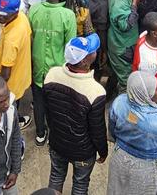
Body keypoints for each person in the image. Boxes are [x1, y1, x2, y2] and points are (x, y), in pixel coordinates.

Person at [42, 34, 108, 195]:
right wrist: (103, 150)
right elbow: (97, 129)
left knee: (56, 177)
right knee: (80, 185)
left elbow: (49, 114)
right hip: (82, 152)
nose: (95, 52)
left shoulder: (51, 75)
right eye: (92, 51)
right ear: (85, 61)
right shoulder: (96, 91)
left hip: (57, 143)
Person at [106, 70, 157, 195]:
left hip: (119, 159)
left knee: (118, 190)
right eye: (155, 88)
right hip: (145, 167)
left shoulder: (119, 102)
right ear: (145, 94)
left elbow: (112, 129)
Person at [28, 0, 78, 146]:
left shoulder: (34, 10)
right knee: (57, 104)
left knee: (39, 101)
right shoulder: (68, 15)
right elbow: (71, 46)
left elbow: (31, 37)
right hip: (58, 70)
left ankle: (40, 133)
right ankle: (56, 134)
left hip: (37, 67)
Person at [0, 0, 34, 103]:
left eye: (5, 14)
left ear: (15, 12)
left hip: (9, 87)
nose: (1, 16)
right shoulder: (21, 17)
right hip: (21, 77)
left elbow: (5, 74)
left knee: (8, 114)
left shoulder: (12, 39)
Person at [106, 0, 138, 90]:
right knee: (126, 84)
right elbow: (125, 25)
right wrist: (134, 3)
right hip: (122, 46)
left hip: (125, 43)